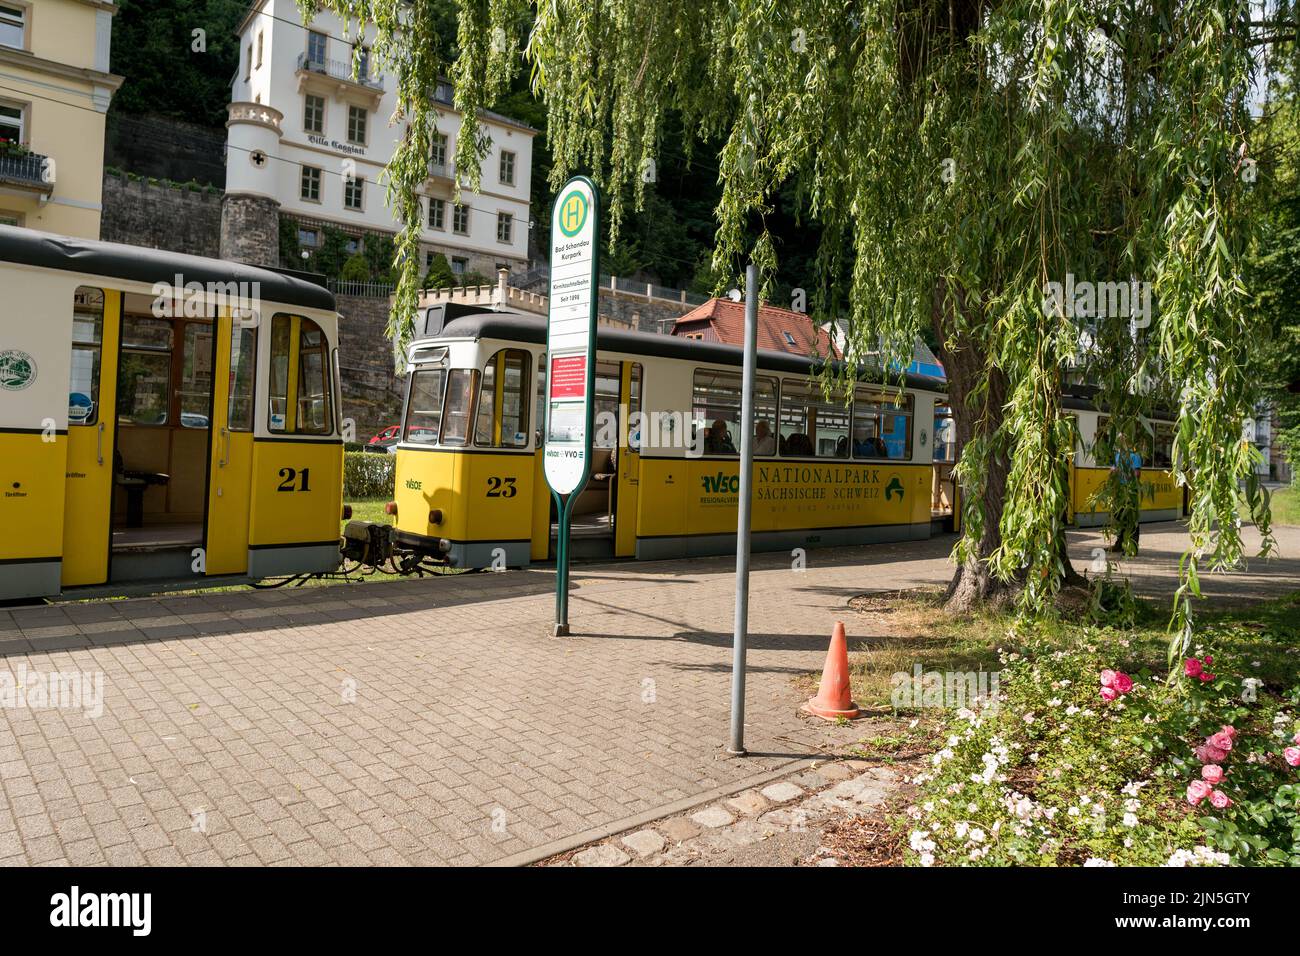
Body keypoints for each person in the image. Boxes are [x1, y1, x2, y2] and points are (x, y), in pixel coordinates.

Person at [1109, 440, 1143, 554]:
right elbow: (1112, 470)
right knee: (1119, 516)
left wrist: (1121, 472)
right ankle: (1120, 544)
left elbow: (1136, 474)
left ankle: (1132, 547)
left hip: (1129, 491)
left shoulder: (1134, 456)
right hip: (1119, 491)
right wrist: (1112, 473)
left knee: (1131, 519)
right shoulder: (1117, 455)